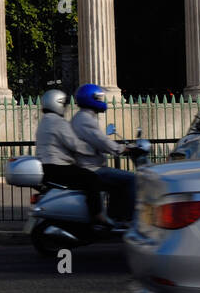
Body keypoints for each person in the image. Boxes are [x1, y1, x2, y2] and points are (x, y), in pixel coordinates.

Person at [34, 89, 113, 229]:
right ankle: (97, 214)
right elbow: (74, 144)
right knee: (92, 179)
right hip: (58, 166)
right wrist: (93, 149)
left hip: (46, 166)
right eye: (63, 104)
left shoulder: (44, 121)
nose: (65, 107)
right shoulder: (58, 122)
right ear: (57, 104)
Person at [70, 84, 136, 222]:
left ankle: (114, 218)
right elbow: (101, 140)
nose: (102, 101)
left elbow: (99, 140)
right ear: (90, 99)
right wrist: (122, 149)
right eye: (99, 98)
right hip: (92, 169)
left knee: (117, 184)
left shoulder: (84, 117)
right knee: (131, 179)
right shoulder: (85, 119)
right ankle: (125, 219)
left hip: (90, 165)